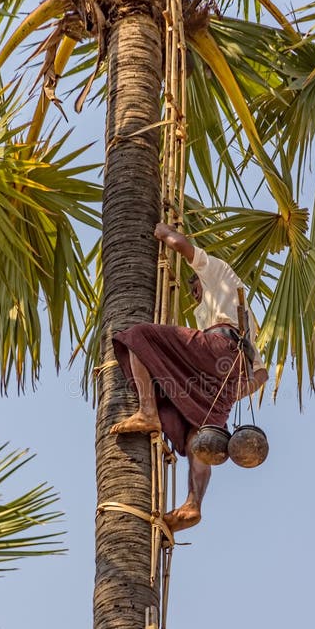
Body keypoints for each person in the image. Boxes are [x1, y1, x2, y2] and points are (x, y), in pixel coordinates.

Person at [111, 222, 268, 532]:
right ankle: (192, 505)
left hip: (217, 346)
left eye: (193, 288)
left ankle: (146, 412)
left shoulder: (218, 273)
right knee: (201, 433)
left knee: (139, 336)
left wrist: (161, 231)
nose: (194, 294)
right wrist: (226, 393)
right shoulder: (248, 319)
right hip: (230, 372)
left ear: (199, 283)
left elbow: (182, 245)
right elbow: (260, 375)